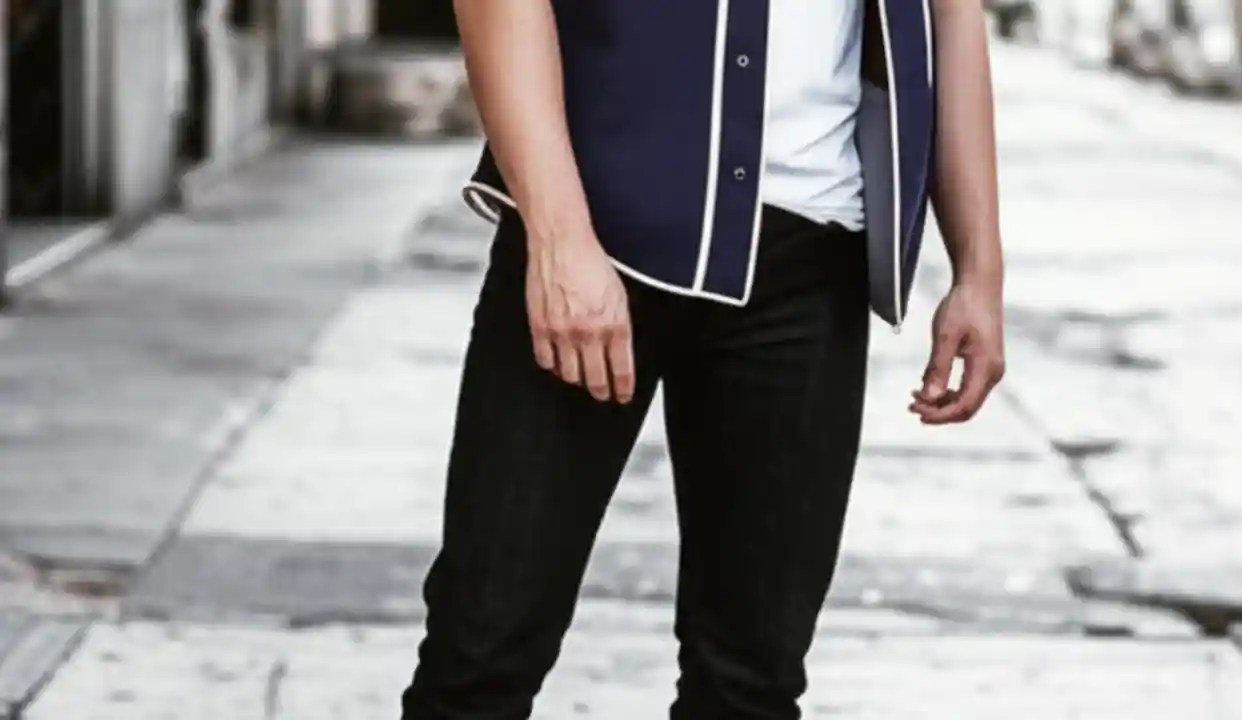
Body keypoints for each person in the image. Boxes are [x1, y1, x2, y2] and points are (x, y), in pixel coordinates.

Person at [402, 0, 1005, 717]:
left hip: (810, 256)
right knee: (481, 651)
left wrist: (979, 266)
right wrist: (559, 236)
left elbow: (952, 14)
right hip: (599, 227)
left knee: (752, 682)